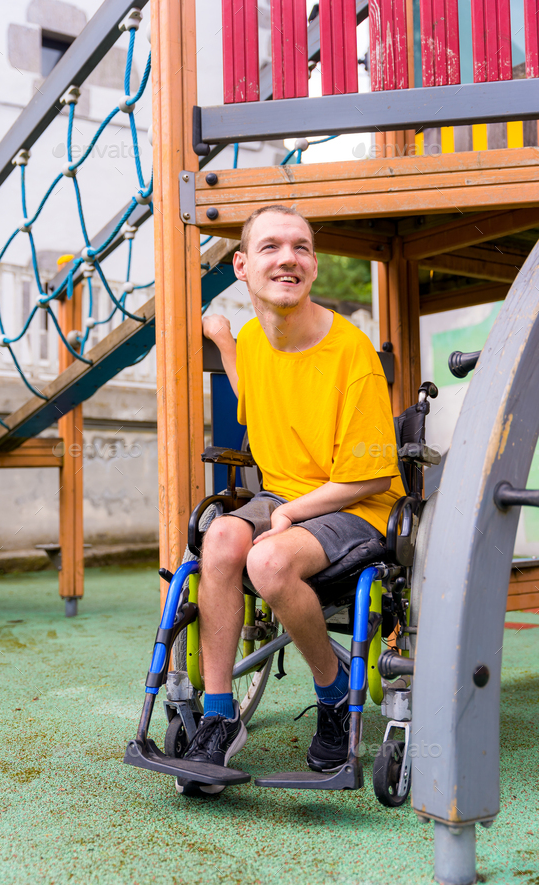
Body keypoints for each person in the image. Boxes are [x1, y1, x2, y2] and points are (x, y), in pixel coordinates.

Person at [177, 204, 403, 794]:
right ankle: (221, 715)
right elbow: (250, 387)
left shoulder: (350, 353)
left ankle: (331, 696)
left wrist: (289, 514)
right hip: (284, 495)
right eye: (272, 247)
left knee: (268, 559)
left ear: (314, 267)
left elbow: (372, 478)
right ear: (242, 266)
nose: (289, 258)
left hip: (355, 506)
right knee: (221, 536)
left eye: (301, 247)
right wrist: (223, 337)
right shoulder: (253, 337)